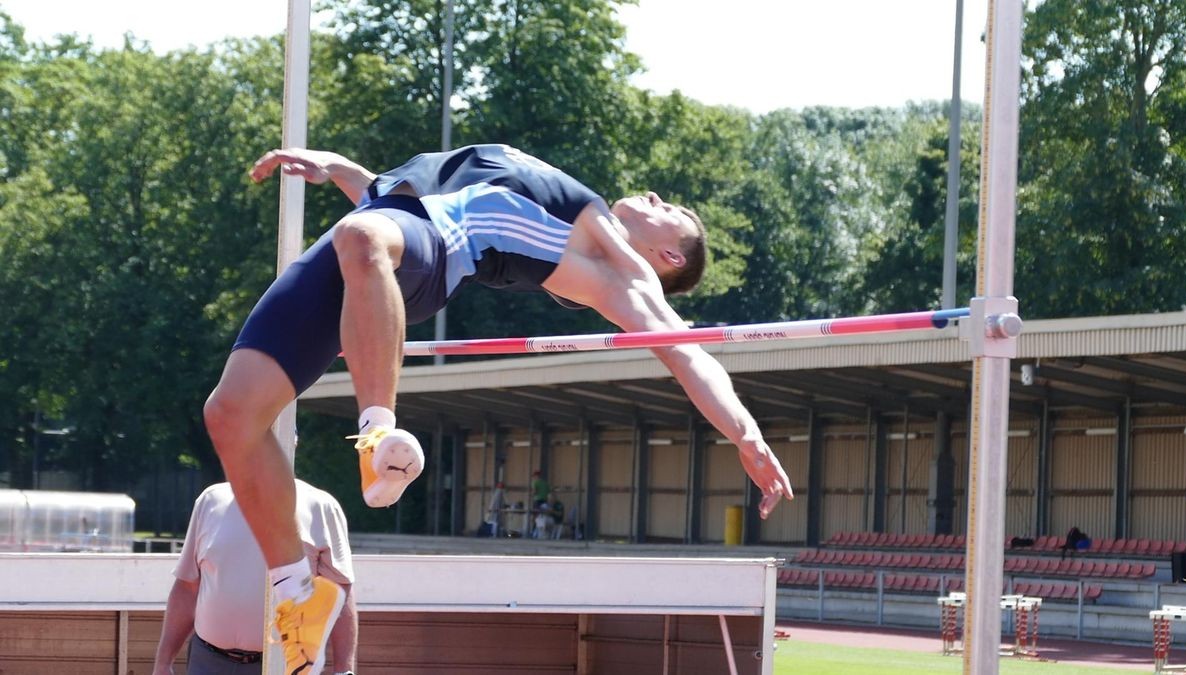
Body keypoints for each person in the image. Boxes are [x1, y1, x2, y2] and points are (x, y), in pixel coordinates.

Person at [204, 143, 794, 671]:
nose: (659, 196)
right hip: (374, 230)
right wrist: (341, 170)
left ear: (668, 255)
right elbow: (426, 188)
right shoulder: (576, 215)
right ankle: (297, 594)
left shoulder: (624, 272)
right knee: (230, 415)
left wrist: (745, 435)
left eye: (674, 213)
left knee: (362, 241)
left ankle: (377, 439)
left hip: (413, 244)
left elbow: (685, 351)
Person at [151, 479, 357, 675]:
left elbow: (341, 592)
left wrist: (343, 669)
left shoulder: (320, 506)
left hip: (284, 664)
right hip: (207, 661)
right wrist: (163, 662)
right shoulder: (211, 500)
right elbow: (188, 587)